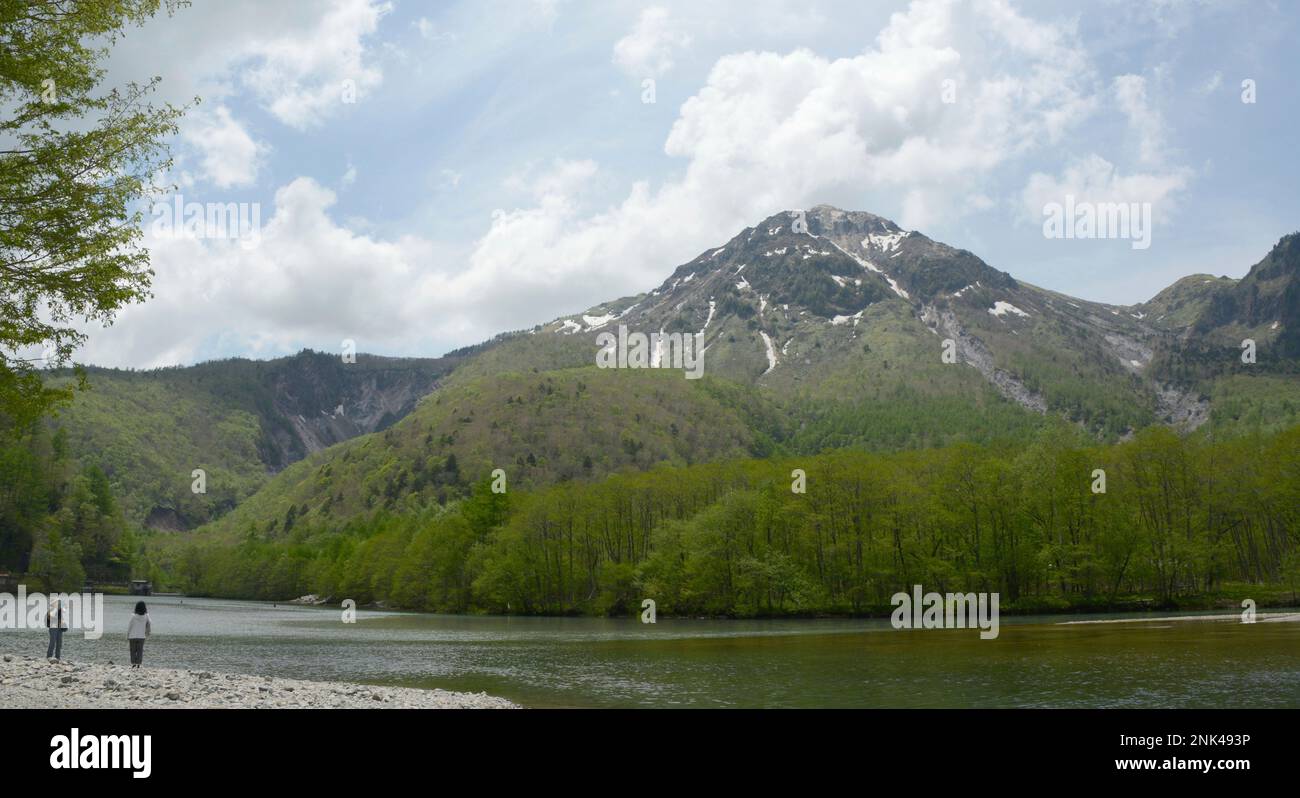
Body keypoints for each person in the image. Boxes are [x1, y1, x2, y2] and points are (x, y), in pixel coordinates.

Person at [127, 601, 151, 668]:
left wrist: (128, 634)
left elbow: (130, 626)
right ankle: (139, 664)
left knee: (133, 650)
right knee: (140, 650)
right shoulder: (146, 616)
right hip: (141, 636)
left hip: (132, 636)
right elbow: (150, 622)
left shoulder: (133, 616)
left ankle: (133, 663)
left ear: (136, 607)